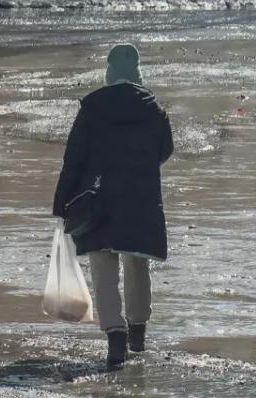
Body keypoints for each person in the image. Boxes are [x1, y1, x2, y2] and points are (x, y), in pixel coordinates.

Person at [53, 44, 173, 366]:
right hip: (141, 199)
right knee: (138, 261)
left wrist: (61, 203)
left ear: (109, 70)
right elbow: (165, 151)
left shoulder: (92, 108)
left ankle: (115, 335)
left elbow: (73, 158)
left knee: (103, 263)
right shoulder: (154, 109)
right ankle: (138, 329)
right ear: (137, 71)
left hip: (99, 199)